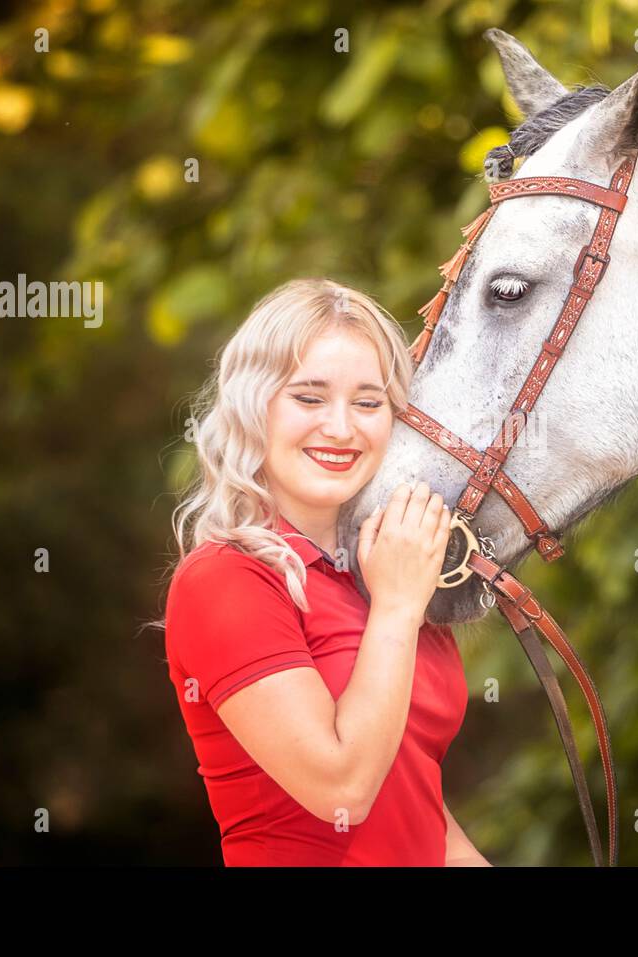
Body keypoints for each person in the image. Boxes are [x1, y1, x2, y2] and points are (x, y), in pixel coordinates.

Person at [163, 277, 489, 865]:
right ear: (253, 406)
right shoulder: (223, 579)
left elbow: (414, 806)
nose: (341, 428)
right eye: (309, 398)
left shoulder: (384, 570)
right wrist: (396, 609)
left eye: (368, 403)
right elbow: (342, 788)